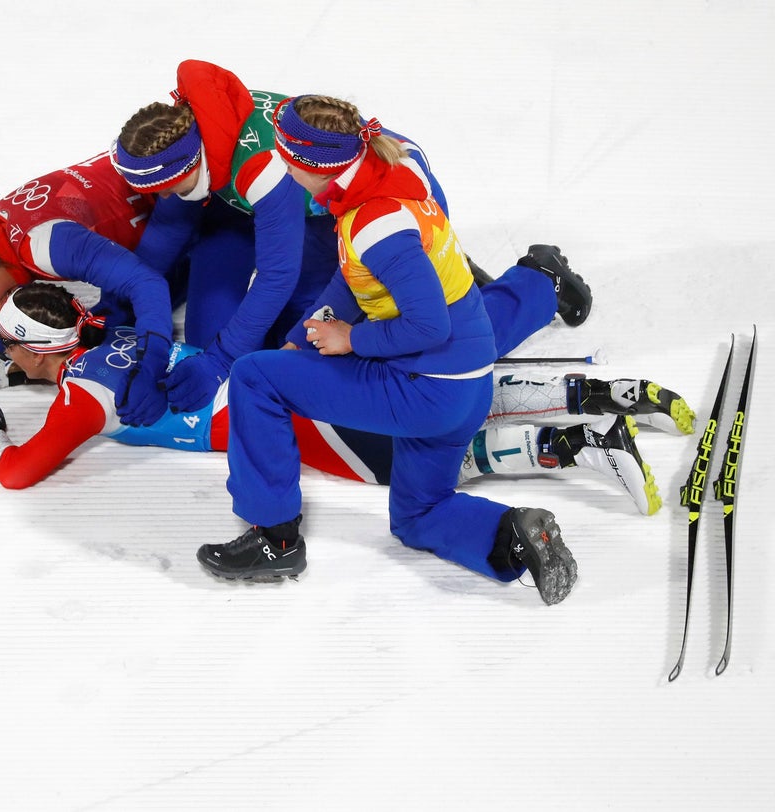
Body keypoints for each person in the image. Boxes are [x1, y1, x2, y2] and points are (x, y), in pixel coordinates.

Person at [200, 94, 590, 604]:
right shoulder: (387, 173)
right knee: (417, 515)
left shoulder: (375, 225)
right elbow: (353, 274)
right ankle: (512, 533)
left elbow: (427, 326)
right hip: (462, 388)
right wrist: (307, 333)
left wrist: (350, 339)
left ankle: (273, 539)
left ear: (307, 165)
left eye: (282, 152)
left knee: (255, 376)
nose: (275, 160)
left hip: (424, 388)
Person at [0, 284, 691, 521]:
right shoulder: (114, 336)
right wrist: (23, 377)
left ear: (39, 349)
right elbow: (73, 362)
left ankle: (579, 443)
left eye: (8, 348)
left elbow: (18, 473)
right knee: (437, 396)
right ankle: (599, 393)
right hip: (292, 376)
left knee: (413, 464)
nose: (4, 358)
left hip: (289, 423)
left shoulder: (81, 401)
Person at [111, 60, 592, 413]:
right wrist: (114, 310)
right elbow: (168, 228)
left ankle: (536, 284)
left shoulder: (268, 172)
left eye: (164, 187)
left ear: (195, 162)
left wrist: (220, 361)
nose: (164, 197)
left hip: (383, 212)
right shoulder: (192, 132)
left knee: (425, 344)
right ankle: (443, 272)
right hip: (324, 202)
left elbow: (278, 275)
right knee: (277, 340)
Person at [0, 151, 175, 426]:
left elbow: (147, 283)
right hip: (155, 182)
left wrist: (152, 362)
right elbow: (9, 301)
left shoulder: (45, 244)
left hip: (189, 201)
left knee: (113, 318)